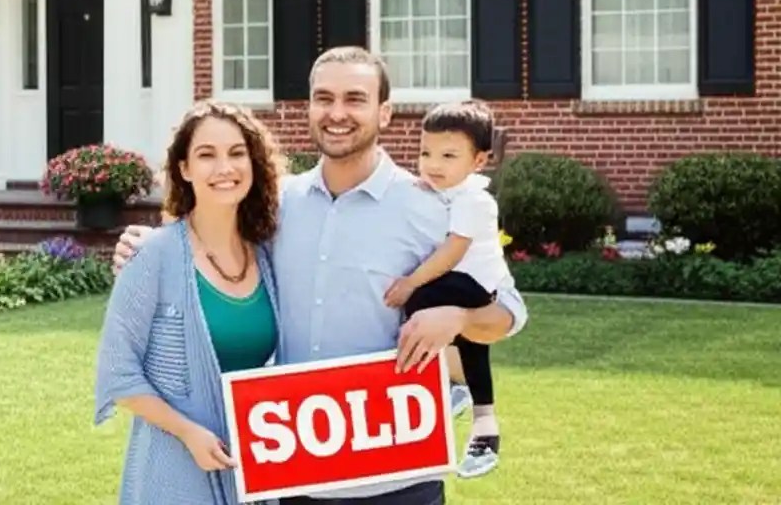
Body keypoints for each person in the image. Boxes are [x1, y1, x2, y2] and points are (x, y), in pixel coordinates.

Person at [113, 46, 528, 505]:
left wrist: (459, 320)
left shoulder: (433, 209)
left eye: (355, 99)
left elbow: (509, 312)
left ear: (384, 113)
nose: (337, 113)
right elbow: (211, 247)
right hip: (293, 475)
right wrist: (146, 247)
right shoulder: (275, 206)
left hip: (399, 478)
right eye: (323, 98)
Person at [94, 100, 288, 505]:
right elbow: (118, 372)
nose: (225, 168)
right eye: (206, 155)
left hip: (255, 467)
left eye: (237, 153)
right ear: (184, 169)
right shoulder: (152, 257)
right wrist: (187, 432)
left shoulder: (267, 255)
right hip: (174, 468)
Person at [382, 100, 512, 478]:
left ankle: (463, 394)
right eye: (425, 153)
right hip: (459, 286)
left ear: (478, 161)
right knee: (467, 345)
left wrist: (410, 283)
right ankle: (467, 400)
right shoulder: (444, 191)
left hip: (474, 285)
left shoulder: (474, 200)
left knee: (423, 304)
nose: (433, 164)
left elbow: (453, 252)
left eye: (448, 155)